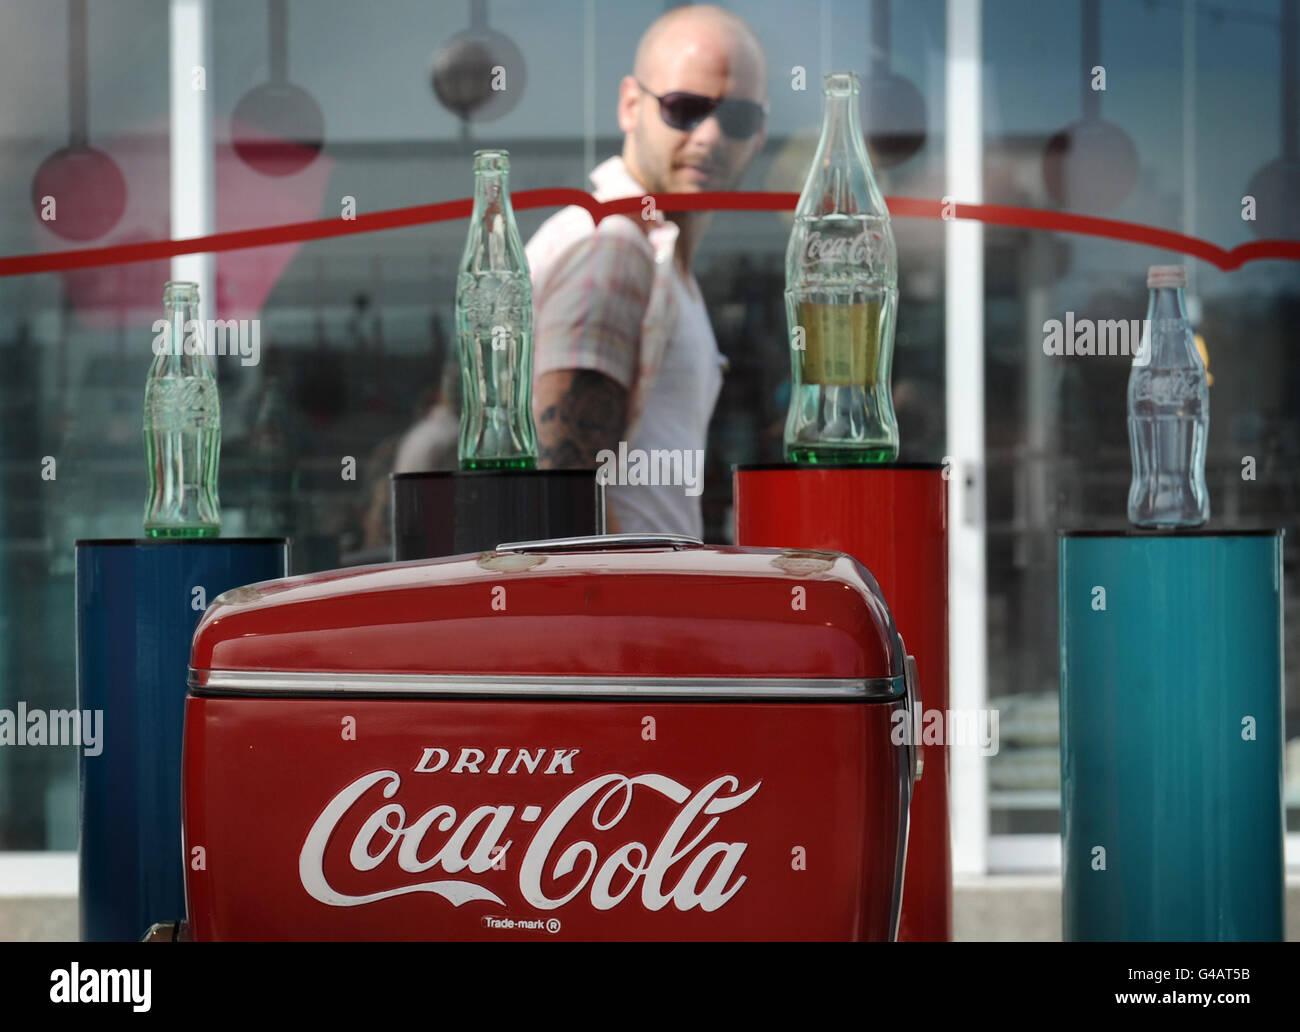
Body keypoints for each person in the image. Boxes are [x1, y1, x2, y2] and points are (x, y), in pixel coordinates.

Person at [526, 3, 768, 537]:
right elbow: (563, 492)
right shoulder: (611, 246)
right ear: (631, 105)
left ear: (760, 133)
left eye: (737, 118)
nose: (709, 136)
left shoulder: (659, 257)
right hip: (614, 612)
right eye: (684, 108)